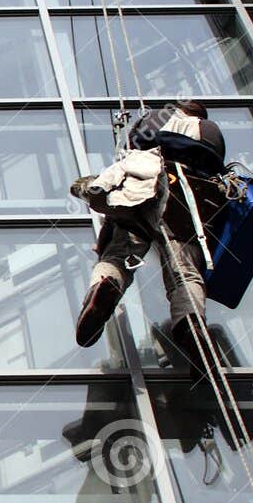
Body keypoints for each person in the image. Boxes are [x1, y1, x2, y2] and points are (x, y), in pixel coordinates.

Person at [73, 101, 228, 365]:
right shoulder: (210, 130)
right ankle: (190, 324)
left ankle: (106, 285)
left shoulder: (159, 116)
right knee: (184, 273)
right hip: (185, 200)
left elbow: (135, 141)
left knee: (119, 255)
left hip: (141, 190)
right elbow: (215, 164)